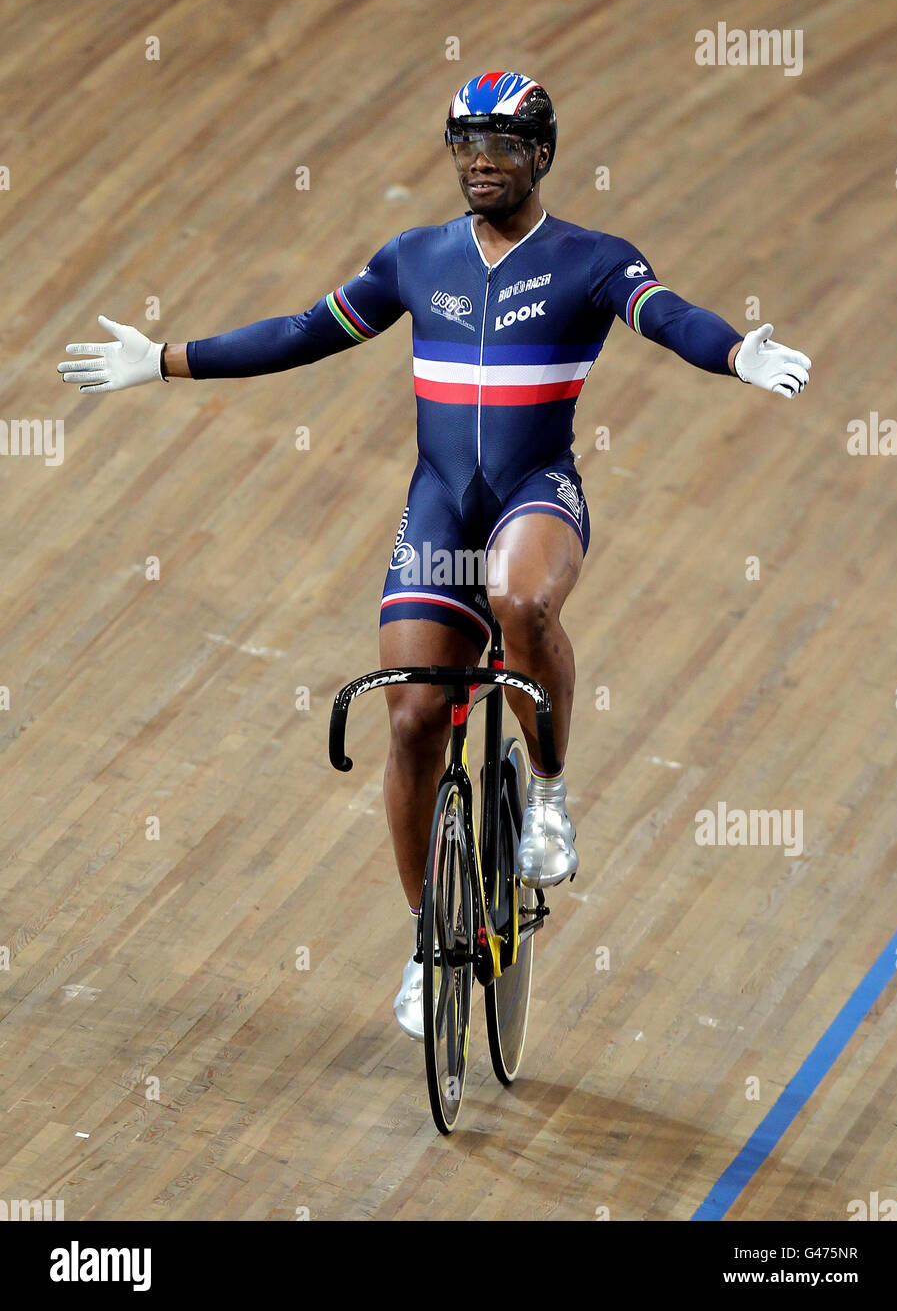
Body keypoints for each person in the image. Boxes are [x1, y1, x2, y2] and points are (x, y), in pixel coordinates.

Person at [58, 71, 811, 1040]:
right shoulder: (414, 259)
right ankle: (426, 936)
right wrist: (165, 359)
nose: (479, 163)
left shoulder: (589, 259)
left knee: (522, 603)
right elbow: (301, 332)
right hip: (438, 513)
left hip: (535, 494)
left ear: (539, 155)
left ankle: (545, 794)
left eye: (498, 146)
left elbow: (664, 315)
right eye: (464, 145)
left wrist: (735, 349)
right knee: (412, 716)